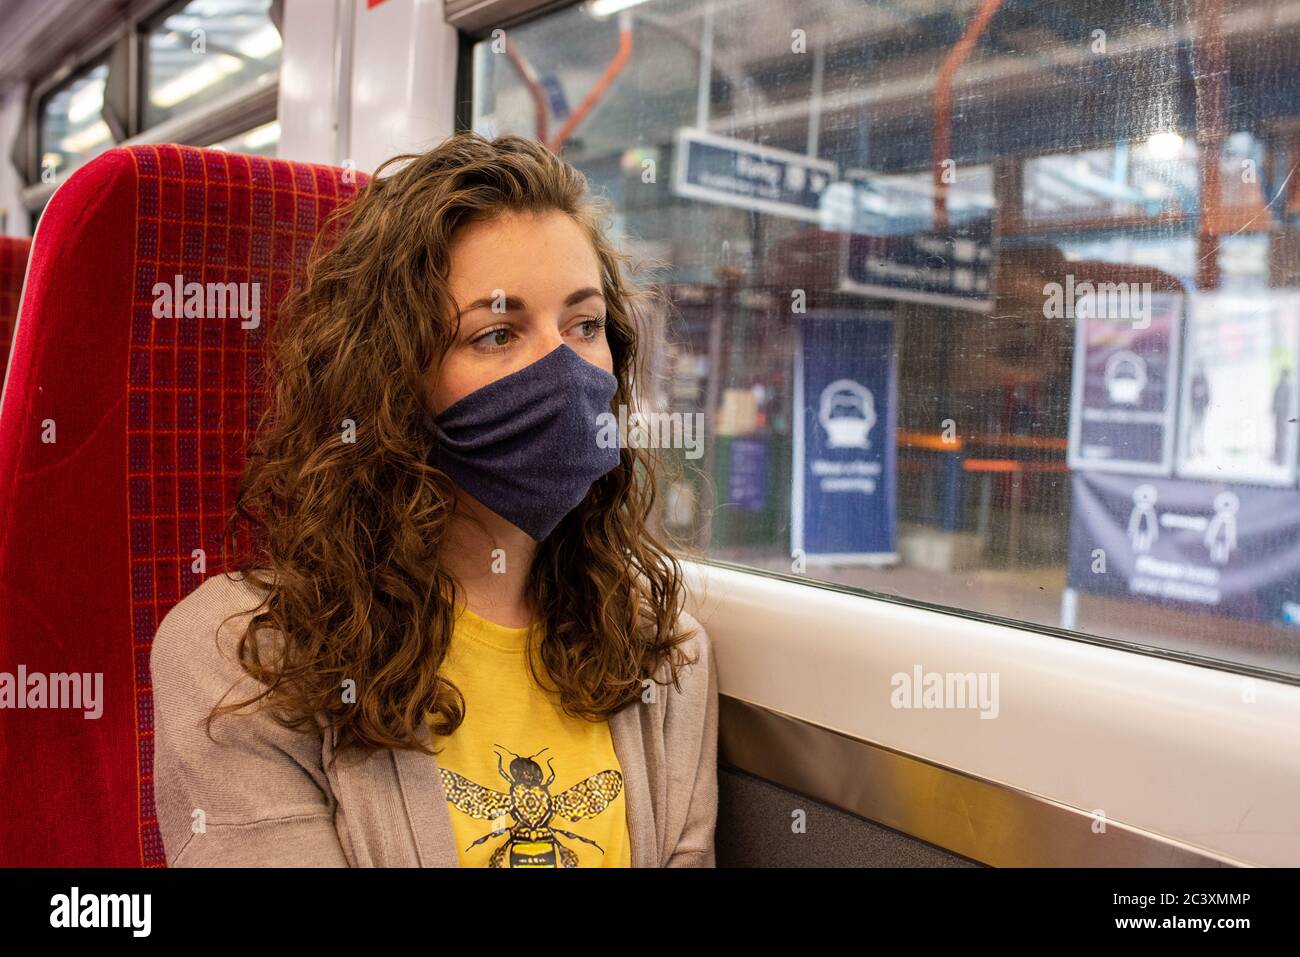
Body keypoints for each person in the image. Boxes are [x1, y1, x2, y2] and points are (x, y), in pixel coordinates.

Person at [149, 132, 718, 868]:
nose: (567, 372)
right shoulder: (240, 660)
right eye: (497, 333)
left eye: (584, 325)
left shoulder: (663, 647)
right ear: (392, 382)